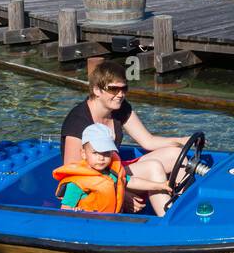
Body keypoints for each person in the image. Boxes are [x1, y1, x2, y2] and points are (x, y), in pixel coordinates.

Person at [60, 61, 187, 215]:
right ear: (97, 90)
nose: (120, 94)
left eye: (124, 88)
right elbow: (73, 173)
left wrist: (181, 141)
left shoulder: (119, 108)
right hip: (94, 181)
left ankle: (182, 207)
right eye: (114, 89)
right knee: (153, 167)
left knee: (176, 154)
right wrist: (120, 193)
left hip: (112, 170)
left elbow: (148, 141)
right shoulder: (78, 121)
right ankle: (166, 220)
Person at [52, 123, 173, 215]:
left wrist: (160, 185)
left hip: (113, 220)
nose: (101, 158)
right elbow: (65, 210)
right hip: (89, 224)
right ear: (83, 154)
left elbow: (132, 181)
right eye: (95, 153)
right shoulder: (77, 183)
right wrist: (75, 212)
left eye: (106, 153)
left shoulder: (112, 172)